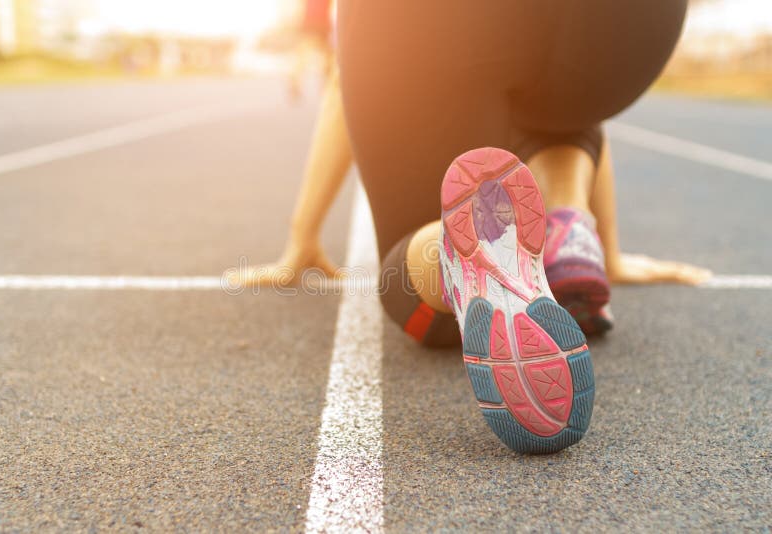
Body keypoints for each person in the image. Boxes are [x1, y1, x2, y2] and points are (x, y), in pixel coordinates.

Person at [240, 1, 712, 453]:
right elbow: (582, 104)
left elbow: (349, 80)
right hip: (637, 26)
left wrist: (301, 238)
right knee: (560, 97)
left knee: (402, 278)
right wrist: (611, 254)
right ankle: (568, 224)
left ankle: (452, 257)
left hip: (455, 20)